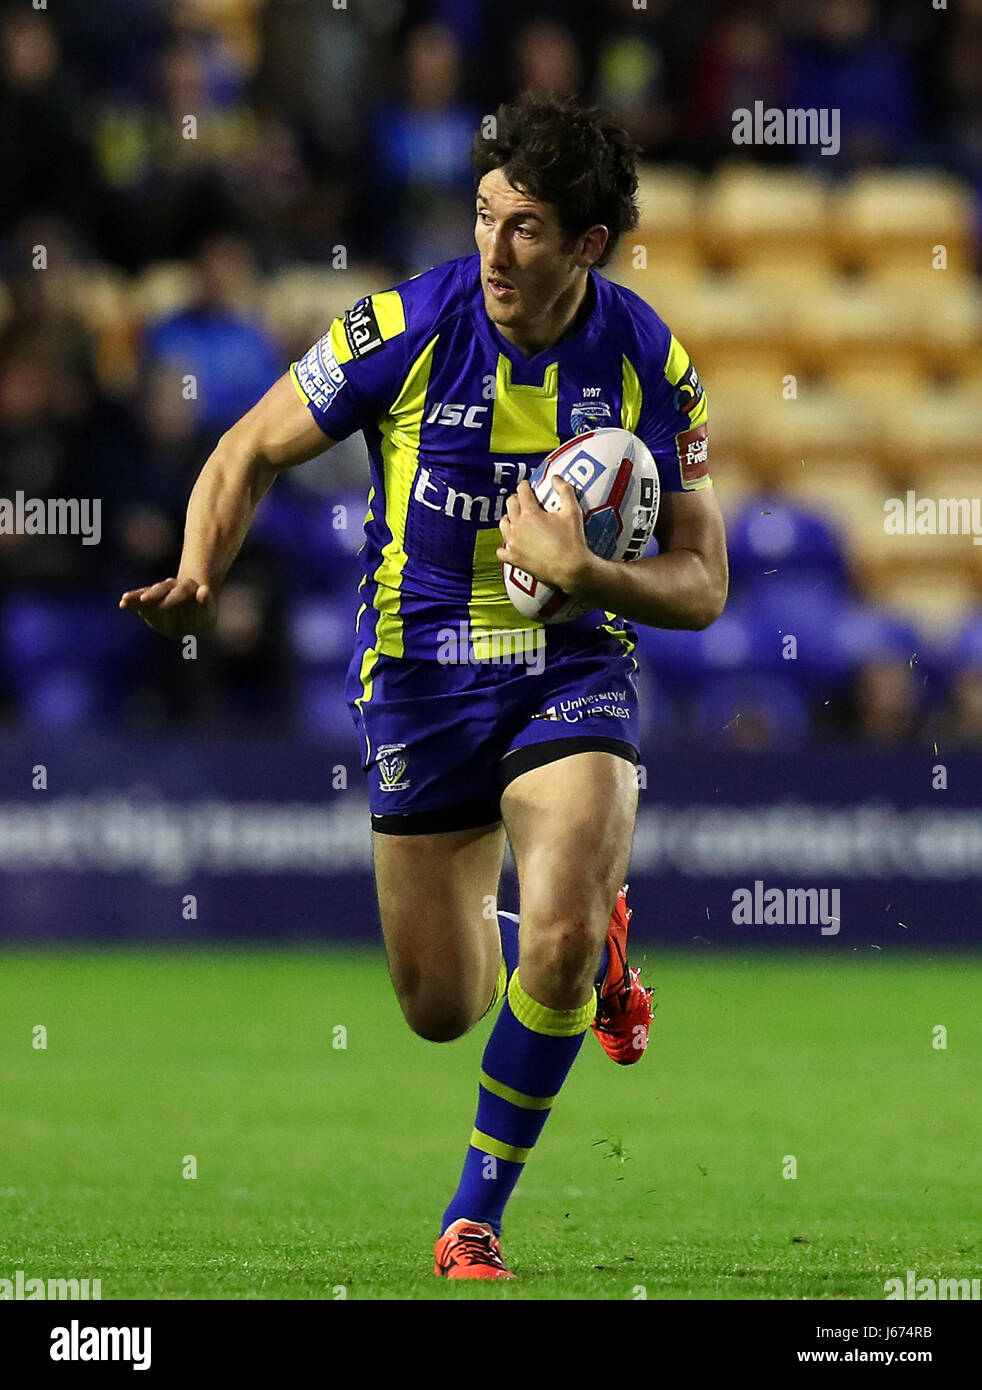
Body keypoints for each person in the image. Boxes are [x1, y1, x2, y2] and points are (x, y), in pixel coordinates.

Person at [120, 95, 728, 1280]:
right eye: (485, 217)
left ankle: (474, 1215)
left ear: (587, 246)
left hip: (568, 670)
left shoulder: (648, 357)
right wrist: (200, 570)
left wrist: (588, 572)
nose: (494, 251)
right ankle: (591, 952)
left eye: (528, 229)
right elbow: (244, 447)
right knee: (441, 1005)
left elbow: (703, 583)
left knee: (549, 929)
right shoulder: (407, 324)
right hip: (419, 681)